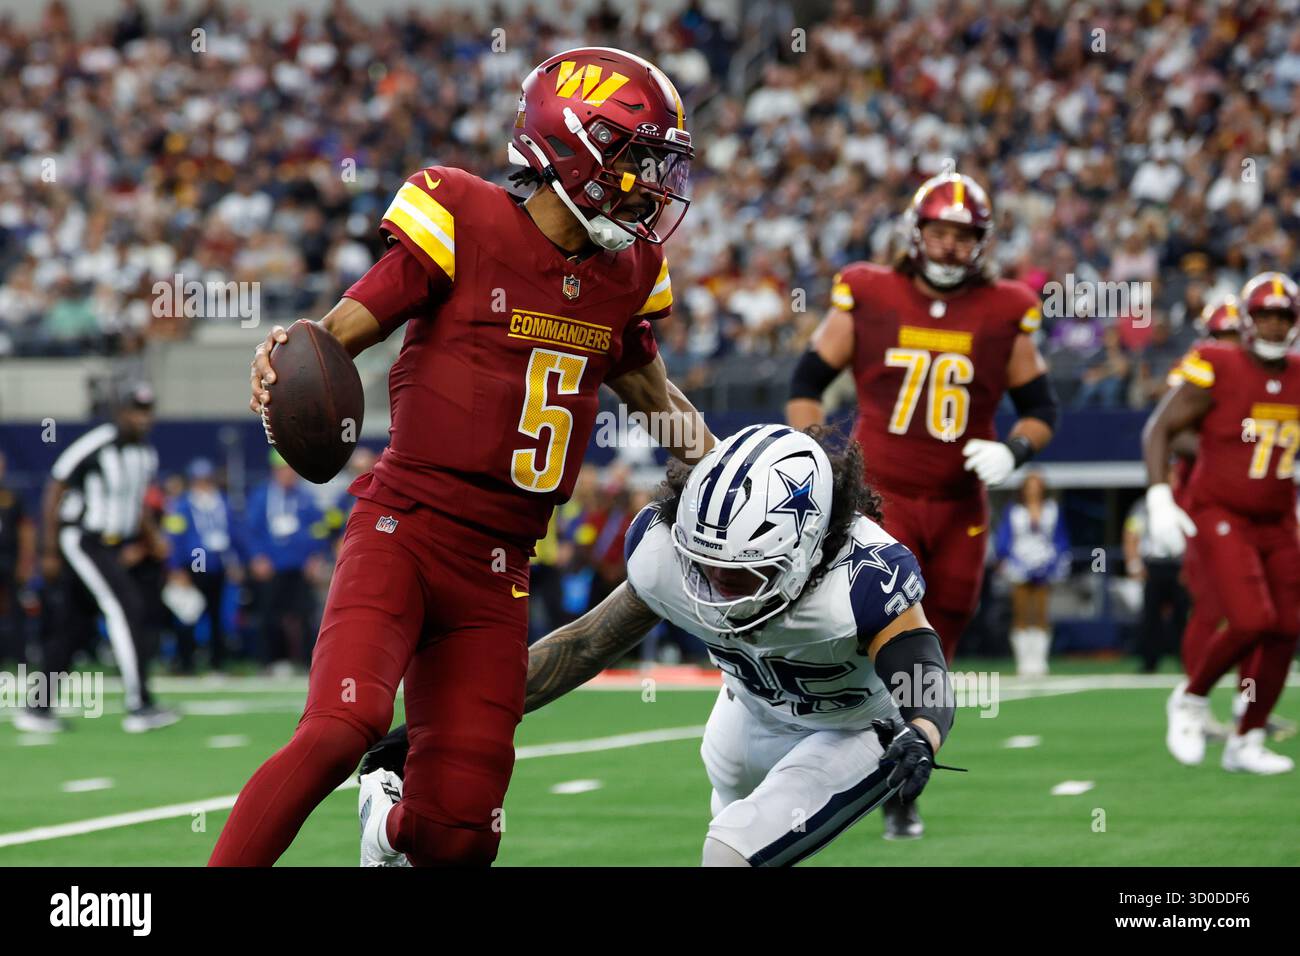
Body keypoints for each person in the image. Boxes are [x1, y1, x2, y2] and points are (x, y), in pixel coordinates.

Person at [210, 48, 715, 867]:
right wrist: (282, 361)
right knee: (343, 728)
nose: (648, 182)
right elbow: (335, 340)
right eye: (634, 158)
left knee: (457, 836)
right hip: (403, 530)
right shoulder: (464, 217)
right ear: (571, 146)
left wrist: (738, 476)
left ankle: (386, 828)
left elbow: (661, 405)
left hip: (500, 571)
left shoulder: (627, 277)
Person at [358, 426, 955, 867]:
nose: (715, 589)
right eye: (704, 564)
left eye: (738, 575)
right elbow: (584, 646)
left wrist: (922, 732)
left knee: (730, 852)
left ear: (803, 552)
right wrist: (444, 725)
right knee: (729, 797)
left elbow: (922, 667)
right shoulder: (666, 552)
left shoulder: (861, 577)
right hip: (748, 712)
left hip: (856, 725)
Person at [785, 167, 1057, 837]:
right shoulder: (870, 290)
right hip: (885, 498)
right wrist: (816, 454)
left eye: (964, 236)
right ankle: (824, 752)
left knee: (944, 641)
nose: (949, 246)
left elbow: (1042, 409)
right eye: (939, 231)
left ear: (982, 243)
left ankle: (905, 779)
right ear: (915, 231)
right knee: (875, 630)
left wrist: (1014, 453)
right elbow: (808, 379)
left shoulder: (1005, 308)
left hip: (962, 504)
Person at [1142, 271, 1300, 774]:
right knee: (1252, 618)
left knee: (1288, 627)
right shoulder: (1217, 362)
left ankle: (1246, 737)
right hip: (1220, 510)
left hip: (1277, 517)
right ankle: (1190, 699)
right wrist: (1159, 494)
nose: (1275, 327)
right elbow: (1160, 427)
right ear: (1248, 321)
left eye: (1284, 317)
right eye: (1266, 317)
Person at [17, 382, 179, 734]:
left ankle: (37, 707)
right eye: (135, 410)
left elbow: (134, 506)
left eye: (146, 411)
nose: (142, 419)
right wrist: (49, 549)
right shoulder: (97, 443)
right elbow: (54, 486)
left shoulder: (145, 455)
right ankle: (140, 704)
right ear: (120, 412)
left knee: (73, 627)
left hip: (111, 545)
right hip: (81, 539)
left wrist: (152, 539)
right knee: (126, 607)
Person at [242, 451, 330, 669]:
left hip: (300, 565)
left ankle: (308, 662)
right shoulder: (261, 496)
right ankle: (270, 661)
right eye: (284, 470)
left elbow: (319, 529)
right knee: (269, 614)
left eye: (292, 470)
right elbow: (250, 530)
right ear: (275, 471)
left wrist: (316, 557)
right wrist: (256, 557)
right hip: (271, 564)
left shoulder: (306, 497)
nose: (288, 475)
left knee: (305, 615)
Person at [162, 458, 242, 671]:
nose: (203, 485)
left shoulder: (222, 503)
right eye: (199, 480)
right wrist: (176, 567)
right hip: (195, 562)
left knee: (217, 614)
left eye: (207, 480)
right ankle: (184, 661)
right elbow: (174, 537)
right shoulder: (183, 506)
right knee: (189, 612)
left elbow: (234, 534)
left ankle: (217, 661)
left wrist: (236, 562)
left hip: (217, 563)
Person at [993, 470, 1070, 676]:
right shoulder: (1014, 510)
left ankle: (1039, 660)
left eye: (1037, 485)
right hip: (1019, 564)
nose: (1033, 489)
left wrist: (1054, 561)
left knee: (1041, 612)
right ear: (1023, 488)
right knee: (1021, 611)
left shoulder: (1052, 509)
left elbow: (1060, 538)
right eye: (1030, 485)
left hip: (1045, 563)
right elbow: (1005, 539)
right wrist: (1009, 559)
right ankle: (1024, 660)